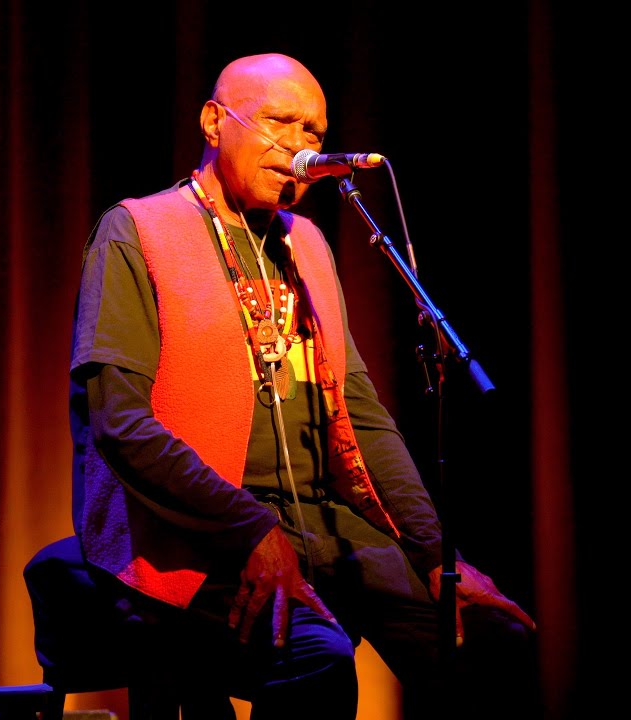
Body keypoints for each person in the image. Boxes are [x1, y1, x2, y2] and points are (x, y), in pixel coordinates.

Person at [64, 52, 539, 720]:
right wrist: (251, 530)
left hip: (321, 523)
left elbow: (363, 416)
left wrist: (438, 556)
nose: (300, 147)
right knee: (316, 662)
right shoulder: (139, 230)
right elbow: (120, 422)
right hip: (200, 530)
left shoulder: (308, 243)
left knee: (494, 642)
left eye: (314, 133)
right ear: (212, 121)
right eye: (278, 122)